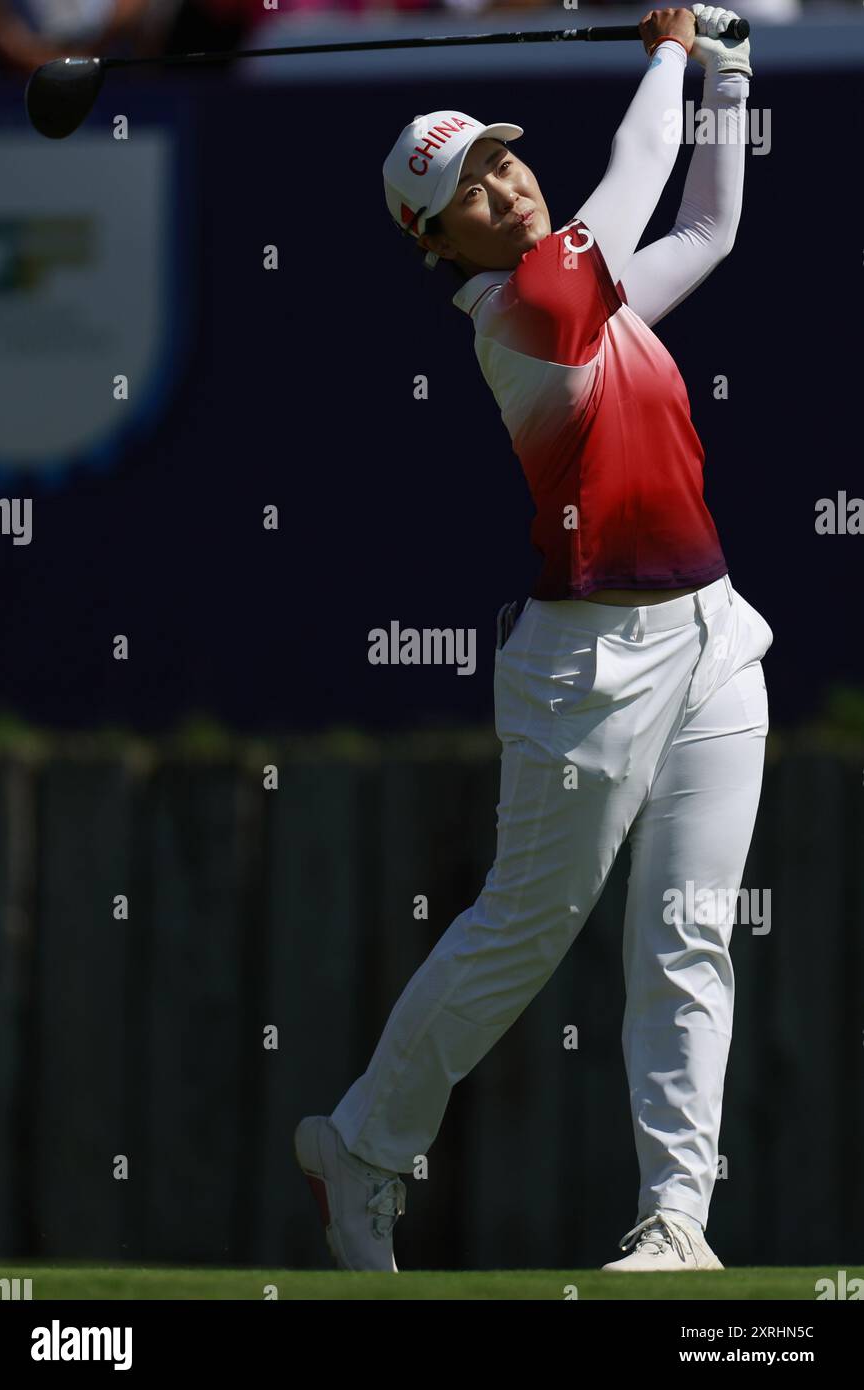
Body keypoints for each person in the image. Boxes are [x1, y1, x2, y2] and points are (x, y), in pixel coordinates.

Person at [296, 5, 773, 1274]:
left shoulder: (593, 289)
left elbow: (708, 228)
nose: (502, 186)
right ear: (436, 240)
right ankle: (361, 1142)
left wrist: (728, 75)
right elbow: (634, 180)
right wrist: (671, 50)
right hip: (589, 672)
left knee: (689, 930)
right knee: (526, 926)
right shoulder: (527, 306)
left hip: (714, 636)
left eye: (501, 160)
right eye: (468, 191)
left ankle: (677, 1221)